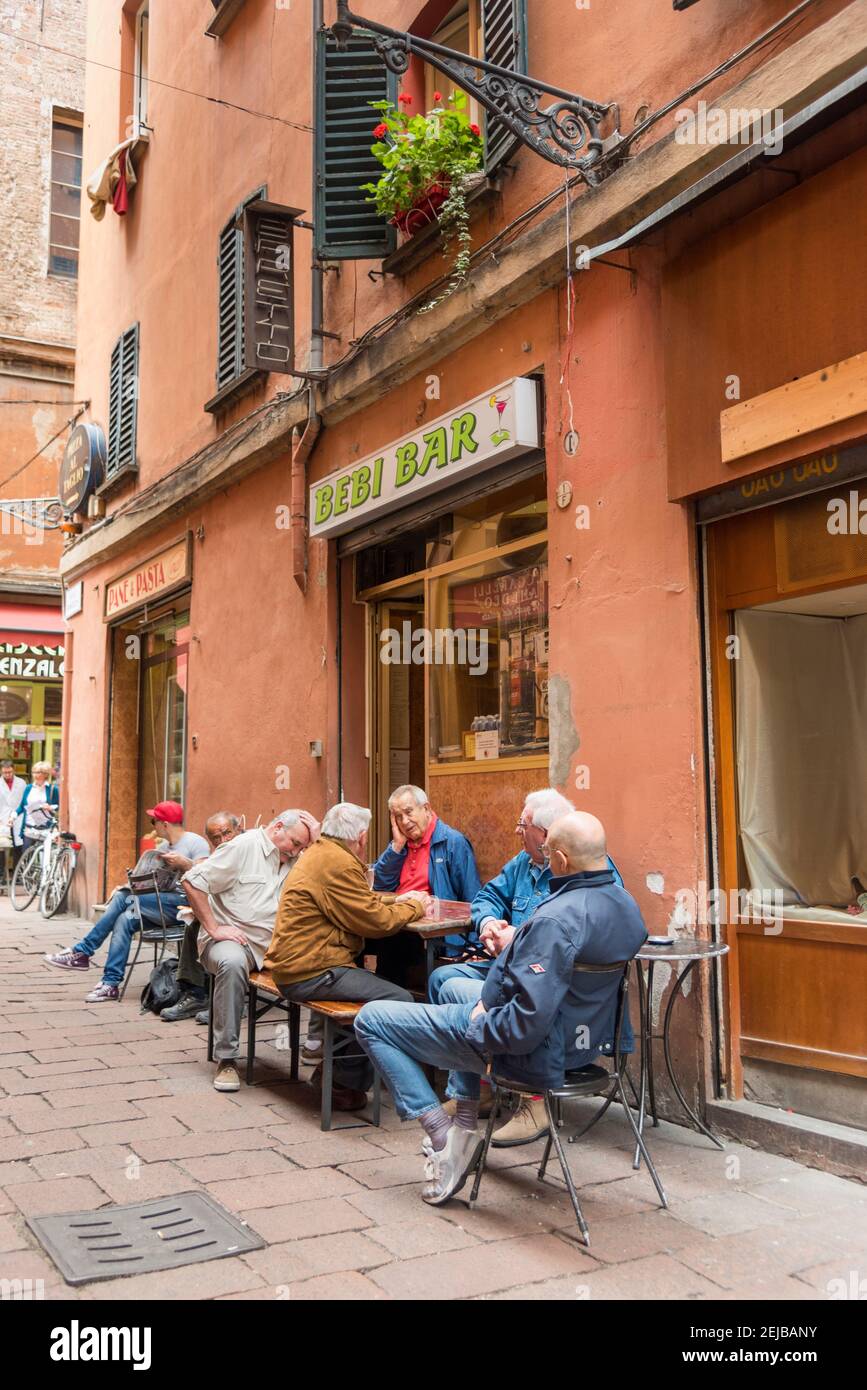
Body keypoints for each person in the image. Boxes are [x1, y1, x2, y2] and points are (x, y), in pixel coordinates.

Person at [355, 811, 647, 1207]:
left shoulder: (556, 920)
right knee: (451, 984)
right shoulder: (627, 907)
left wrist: (479, 1025)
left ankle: (444, 1137)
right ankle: (464, 1121)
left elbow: (522, 1025)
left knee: (372, 1019)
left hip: (530, 1050)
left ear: (559, 860)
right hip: (583, 1045)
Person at [429, 788, 624, 1145]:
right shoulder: (523, 862)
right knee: (443, 977)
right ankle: (476, 1087)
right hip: (511, 969)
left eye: (524, 824)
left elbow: (578, 940)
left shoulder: (592, 871)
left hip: (549, 987)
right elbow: (487, 897)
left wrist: (517, 938)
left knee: (459, 992)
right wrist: (489, 924)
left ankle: (531, 1099)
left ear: (548, 836)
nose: (518, 830)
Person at [265, 802, 432, 1113]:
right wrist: (416, 906)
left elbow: (358, 900)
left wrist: (398, 899)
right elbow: (375, 921)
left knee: (366, 989)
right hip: (311, 971)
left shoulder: (322, 852)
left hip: (298, 966)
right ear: (363, 836)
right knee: (397, 999)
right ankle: (344, 1085)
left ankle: (338, 1074)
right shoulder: (338, 862)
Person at [182, 809, 320, 1093]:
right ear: (278, 827)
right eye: (294, 843)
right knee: (231, 963)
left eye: (301, 847)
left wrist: (316, 843)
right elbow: (193, 881)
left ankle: (316, 1046)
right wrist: (214, 928)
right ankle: (227, 1059)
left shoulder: (297, 857)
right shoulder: (243, 847)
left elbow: (327, 878)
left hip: (276, 947)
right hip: (234, 942)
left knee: (328, 959)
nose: (296, 851)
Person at [44, 801, 210, 1001]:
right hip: (157, 905)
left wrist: (185, 863)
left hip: (182, 906)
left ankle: (83, 951)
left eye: (153, 821)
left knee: (124, 898)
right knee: (124, 919)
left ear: (164, 824)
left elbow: (205, 877)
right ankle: (110, 983)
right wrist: (131, 883)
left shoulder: (195, 842)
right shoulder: (164, 847)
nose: (153, 826)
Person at [371, 784, 481, 987]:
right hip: (402, 925)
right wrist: (396, 846)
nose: (405, 821)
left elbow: (472, 896)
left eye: (408, 812)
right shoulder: (400, 844)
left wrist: (474, 946)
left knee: (394, 951)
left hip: (434, 934)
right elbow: (380, 883)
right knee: (369, 940)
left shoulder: (452, 842)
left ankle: (397, 1001)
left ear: (426, 809)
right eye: (397, 817)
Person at [160, 812, 242, 1022]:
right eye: (216, 838)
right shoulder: (220, 856)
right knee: (194, 922)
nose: (223, 840)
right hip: (228, 913)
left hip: (249, 920)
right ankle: (196, 992)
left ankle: (206, 995)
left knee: (200, 926)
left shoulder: (247, 850)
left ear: (238, 829)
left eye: (227, 833)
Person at [16, 761, 60, 851]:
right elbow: (22, 806)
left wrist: (50, 807)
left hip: (45, 829)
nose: (36, 775)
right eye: (34, 772)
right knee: (26, 858)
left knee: (44, 859)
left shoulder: (53, 789)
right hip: (29, 828)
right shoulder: (28, 788)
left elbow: (58, 806)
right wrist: (12, 817)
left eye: (39, 772)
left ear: (45, 774)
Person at [0, 760, 25, 865]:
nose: (8, 775)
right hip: (2, 817)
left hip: (18, 816)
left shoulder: (21, 783)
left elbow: (24, 801)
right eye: (5, 772)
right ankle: (2, 874)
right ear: (1, 772)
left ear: (13, 770)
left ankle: (16, 873)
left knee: (18, 846)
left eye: (10, 772)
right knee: (1, 846)